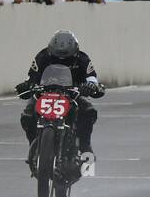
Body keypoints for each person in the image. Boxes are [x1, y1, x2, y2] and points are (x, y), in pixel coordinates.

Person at [16, 30, 105, 158]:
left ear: (75, 53)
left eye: (67, 59)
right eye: (56, 58)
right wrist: (27, 86)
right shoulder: (42, 56)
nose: (62, 61)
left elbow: (91, 78)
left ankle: (85, 146)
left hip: (72, 94)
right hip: (44, 93)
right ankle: (34, 145)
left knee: (88, 111)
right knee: (27, 115)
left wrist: (91, 86)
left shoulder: (83, 59)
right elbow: (32, 78)